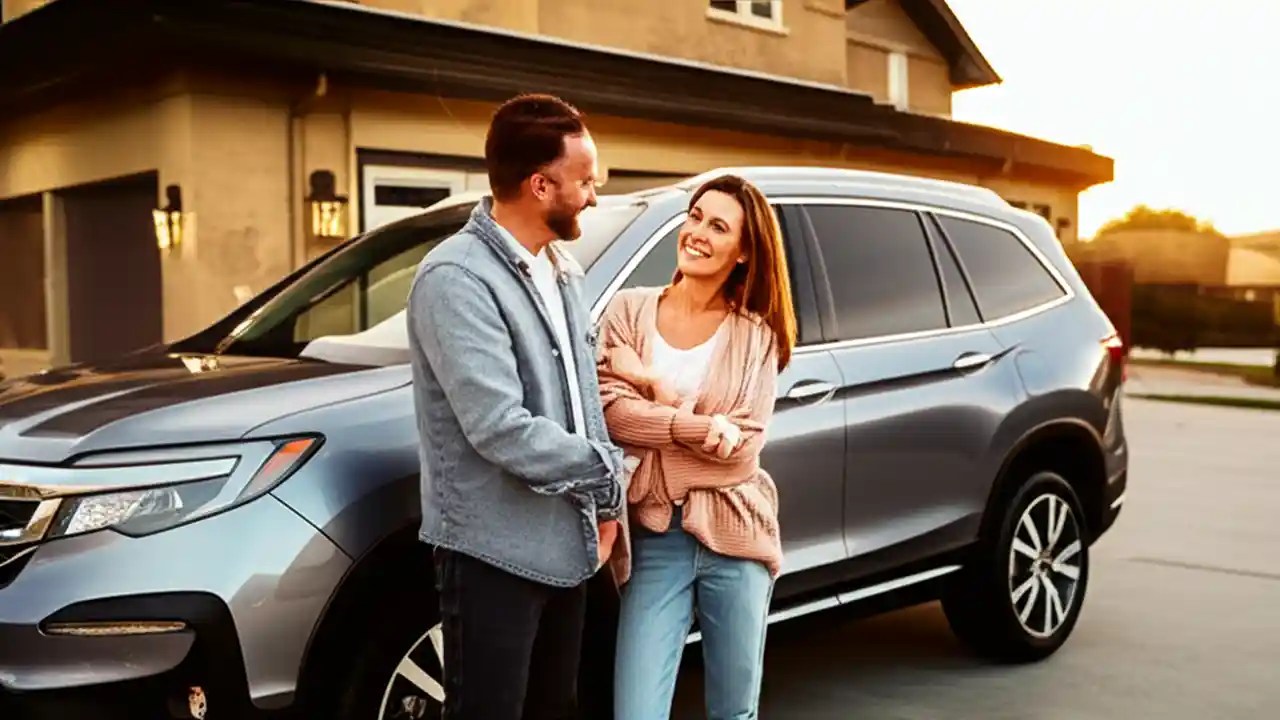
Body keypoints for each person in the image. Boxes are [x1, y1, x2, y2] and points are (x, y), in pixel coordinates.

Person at [406, 93, 625, 720]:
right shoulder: (456, 278)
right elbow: (499, 428)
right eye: (584, 182)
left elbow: (581, 397)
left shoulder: (562, 268)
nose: (593, 195)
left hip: (571, 542)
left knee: (556, 707)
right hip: (492, 555)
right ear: (539, 185)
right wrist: (611, 473)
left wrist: (601, 508)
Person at [595, 173, 798, 720]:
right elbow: (612, 416)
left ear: (743, 251)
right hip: (655, 538)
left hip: (738, 535)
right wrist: (690, 427)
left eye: (718, 225)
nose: (697, 233)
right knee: (635, 711)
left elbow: (743, 447)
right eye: (694, 217)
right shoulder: (628, 312)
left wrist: (652, 392)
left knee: (733, 712)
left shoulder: (757, 335)